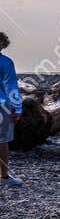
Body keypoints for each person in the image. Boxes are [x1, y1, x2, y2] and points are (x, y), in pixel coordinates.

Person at [0, 32, 21, 187]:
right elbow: (11, 87)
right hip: (2, 106)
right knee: (2, 141)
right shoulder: (6, 62)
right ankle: (5, 177)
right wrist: (17, 108)